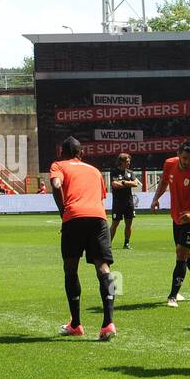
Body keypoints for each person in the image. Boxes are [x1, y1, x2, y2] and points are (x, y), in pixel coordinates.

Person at [50, 137, 117, 341]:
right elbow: (101, 197)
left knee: (70, 268)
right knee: (104, 268)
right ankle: (108, 323)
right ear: (81, 153)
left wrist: (63, 212)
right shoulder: (94, 170)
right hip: (98, 218)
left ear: (62, 152)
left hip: (74, 218)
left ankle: (76, 324)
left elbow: (56, 183)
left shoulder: (58, 165)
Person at [150, 143, 190, 307]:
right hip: (177, 218)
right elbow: (164, 182)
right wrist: (155, 198)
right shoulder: (169, 164)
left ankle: (172, 295)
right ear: (178, 154)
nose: (187, 162)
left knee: (180, 253)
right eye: (184, 158)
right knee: (186, 254)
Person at [108, 153, 140, 249]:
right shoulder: (114, 171)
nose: (129, 163)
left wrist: (124, 182)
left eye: (129, 161)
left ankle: (126, 243)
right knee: (115, 224)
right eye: (127, 161)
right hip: (118, 202)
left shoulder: (130, 172)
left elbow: (135, 184)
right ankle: (108, 245)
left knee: (129, 223)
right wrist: (127, 184)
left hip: (128, 202)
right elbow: (114, 184)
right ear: (121, 162)